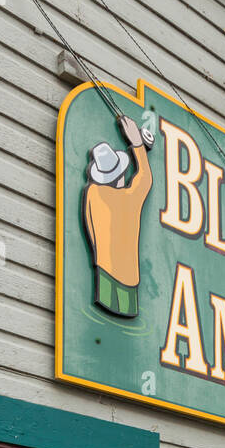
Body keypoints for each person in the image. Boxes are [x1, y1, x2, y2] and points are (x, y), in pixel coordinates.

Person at [83, 115, 154, 318]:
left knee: (101, 314)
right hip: (130, 278)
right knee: (125, 312)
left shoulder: (93, 193)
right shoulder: (130, 198)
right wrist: (138, 144)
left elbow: (89, 225)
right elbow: (145, 178)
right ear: (121, 174)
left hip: (103, 270)